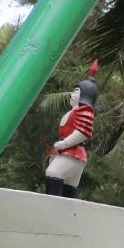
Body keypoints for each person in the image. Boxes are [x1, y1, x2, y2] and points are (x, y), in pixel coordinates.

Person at [45, 60, 98, 198]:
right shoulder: (74, 112)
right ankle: (62, 212)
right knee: (68, 188)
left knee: (53, 173)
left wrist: (65, 143)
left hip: (73, 153)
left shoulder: (85, 110)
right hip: (67, 153)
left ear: (85, 94)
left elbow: (82, 132)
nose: (72, 95)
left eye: (76, 91)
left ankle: (50, 205)